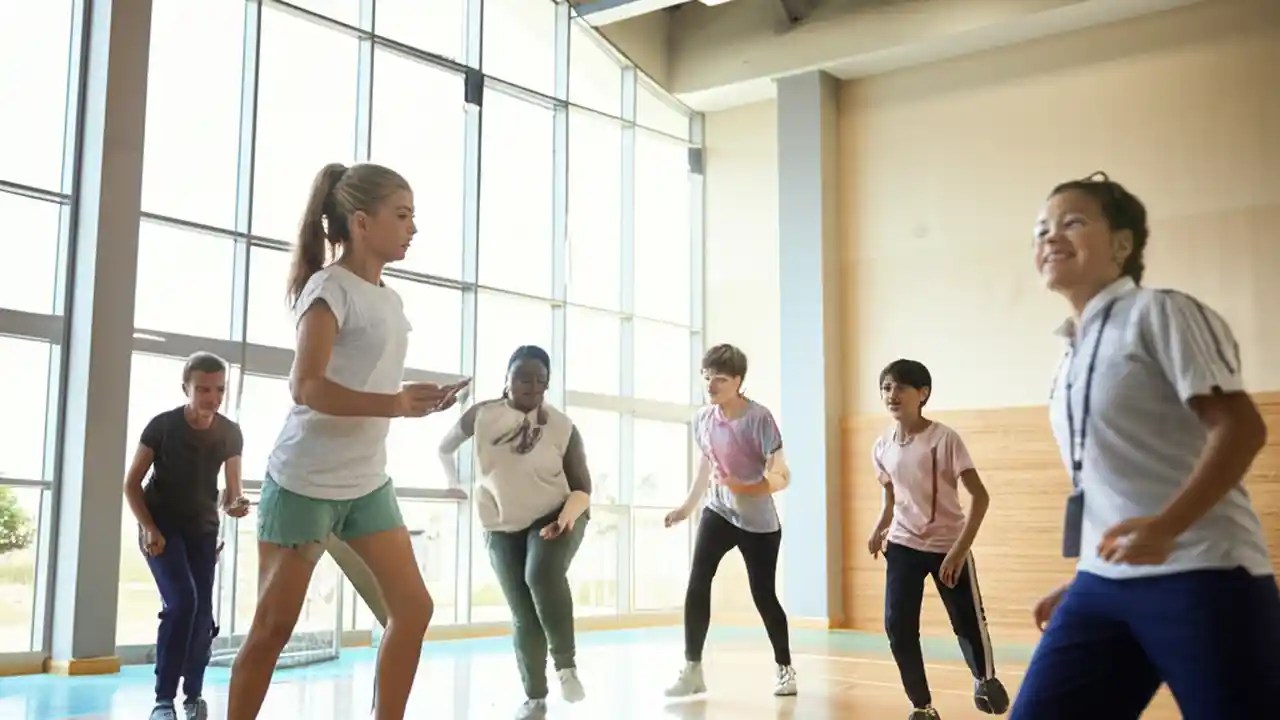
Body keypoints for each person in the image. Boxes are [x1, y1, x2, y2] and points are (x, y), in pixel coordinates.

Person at [1010, 172, 1279, 719]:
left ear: (1123, 244)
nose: (1051, 237)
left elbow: (1243, 428)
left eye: (1074, 222)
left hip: (1204, 576)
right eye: (1042, 229)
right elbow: (1107, 478)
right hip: (1102, 586)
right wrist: (1090, 570)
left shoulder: (1162, 313)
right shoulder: (1068, 353)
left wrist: (1165, 527)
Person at [225, 162, 467, 720]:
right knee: (271, 631)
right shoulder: (328, 287)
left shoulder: (390, 297)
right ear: (361, 222)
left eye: (413, 217)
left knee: (412, 608)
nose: (412, 228)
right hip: (306, 482)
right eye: (402, 215)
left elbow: (370, 381)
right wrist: (393, 405)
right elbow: (305, 385)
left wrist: (409, 396)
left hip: (365, 483)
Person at [437, 345, 592, 720]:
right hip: (501, 525)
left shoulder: (561, 426)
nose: (532, 386)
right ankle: (535, 697)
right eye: (524, 377)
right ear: (506, 379)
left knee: (540, 573)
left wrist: (565, 519)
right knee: (523, 612)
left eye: (541, 380)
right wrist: (452, 482)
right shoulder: (482, 415)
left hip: (556, 515)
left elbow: (582, 490)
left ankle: (566, 667)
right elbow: (444, 448)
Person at [867, 359, 1010, 720]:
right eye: (886, 387)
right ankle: (922, 706)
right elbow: (890, 492)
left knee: (966, 621)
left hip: (948, 546)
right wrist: (881, 523)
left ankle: (984, 677)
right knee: (898, 627)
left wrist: (958, 552)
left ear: (923, 394)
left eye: (901, 387)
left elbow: (981, 497)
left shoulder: (945, 439)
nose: (892, 394)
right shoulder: (882, 444)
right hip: (902, 545)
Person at [663, 344, 797, 698]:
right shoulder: (703, 419)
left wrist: (750, 486)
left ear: (738, 381)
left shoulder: (760, 418)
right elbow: (706, 466)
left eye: (719, 379)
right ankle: (692, 669)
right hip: (719, 511)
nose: (710, 385)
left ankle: (785, 668)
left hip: (758, 521)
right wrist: (687, 507)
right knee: (697, 582)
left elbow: (782, 475)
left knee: (764, 594)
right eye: (706, 377)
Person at [123, 351, 250, 720]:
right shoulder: (161, 427)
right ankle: (163, 701)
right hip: (159, 527)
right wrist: (149, 528)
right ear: (186, 389)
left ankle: (193, 695)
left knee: (201, 614)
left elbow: (231, 493)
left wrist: (237, 505)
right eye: (204, 389)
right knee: (181, 605)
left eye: (220, 390)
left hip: (202, 532)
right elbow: (132, 484)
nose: (212, 397)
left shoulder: (230, 432)